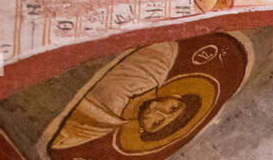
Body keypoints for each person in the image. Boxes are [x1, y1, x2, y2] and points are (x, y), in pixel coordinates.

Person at [49, 41, 203, 151]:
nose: (160, 113)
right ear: (176, 96)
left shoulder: (92, 128)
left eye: (157, 123)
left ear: (143, 130)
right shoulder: (159, 59)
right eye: (173, 108)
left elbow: (57, 138)